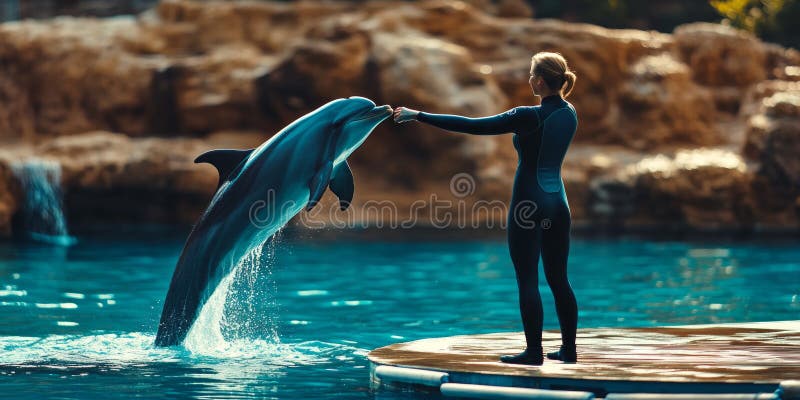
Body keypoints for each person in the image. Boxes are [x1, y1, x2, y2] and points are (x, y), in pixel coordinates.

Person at [393, 52, 579, 365]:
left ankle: (534, 352)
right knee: (559, 279)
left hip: (528, 205)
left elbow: (472, 126)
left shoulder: (527, 115)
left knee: (528, 280)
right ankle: (569, 351)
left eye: (531, 75)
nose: (528, 79)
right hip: (558, 204)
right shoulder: (570, 112)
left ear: (540, 80)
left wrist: (418, 115)